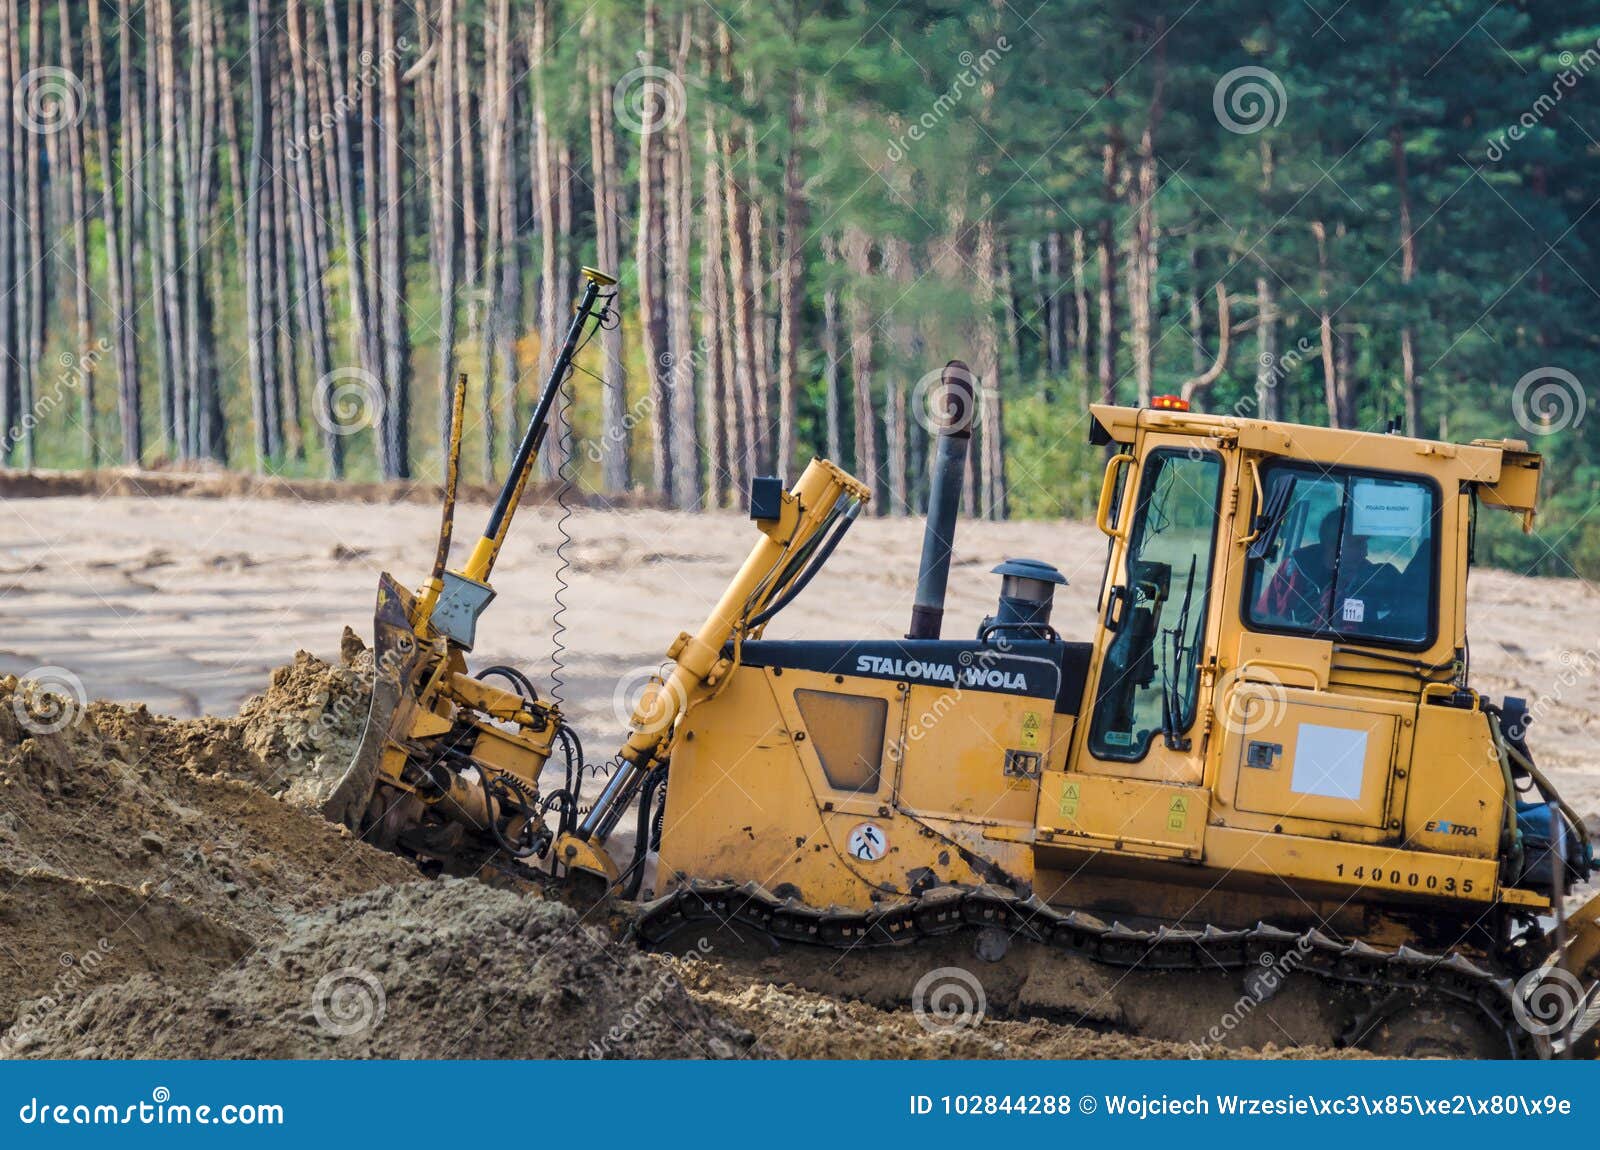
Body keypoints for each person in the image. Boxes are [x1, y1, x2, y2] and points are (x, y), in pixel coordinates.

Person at [1256, 509, 1341, 627]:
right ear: (1333, 544)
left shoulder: (1367, 580)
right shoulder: (1292, 567)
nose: (1365, 552)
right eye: (1357, 544)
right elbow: (1263, 618)